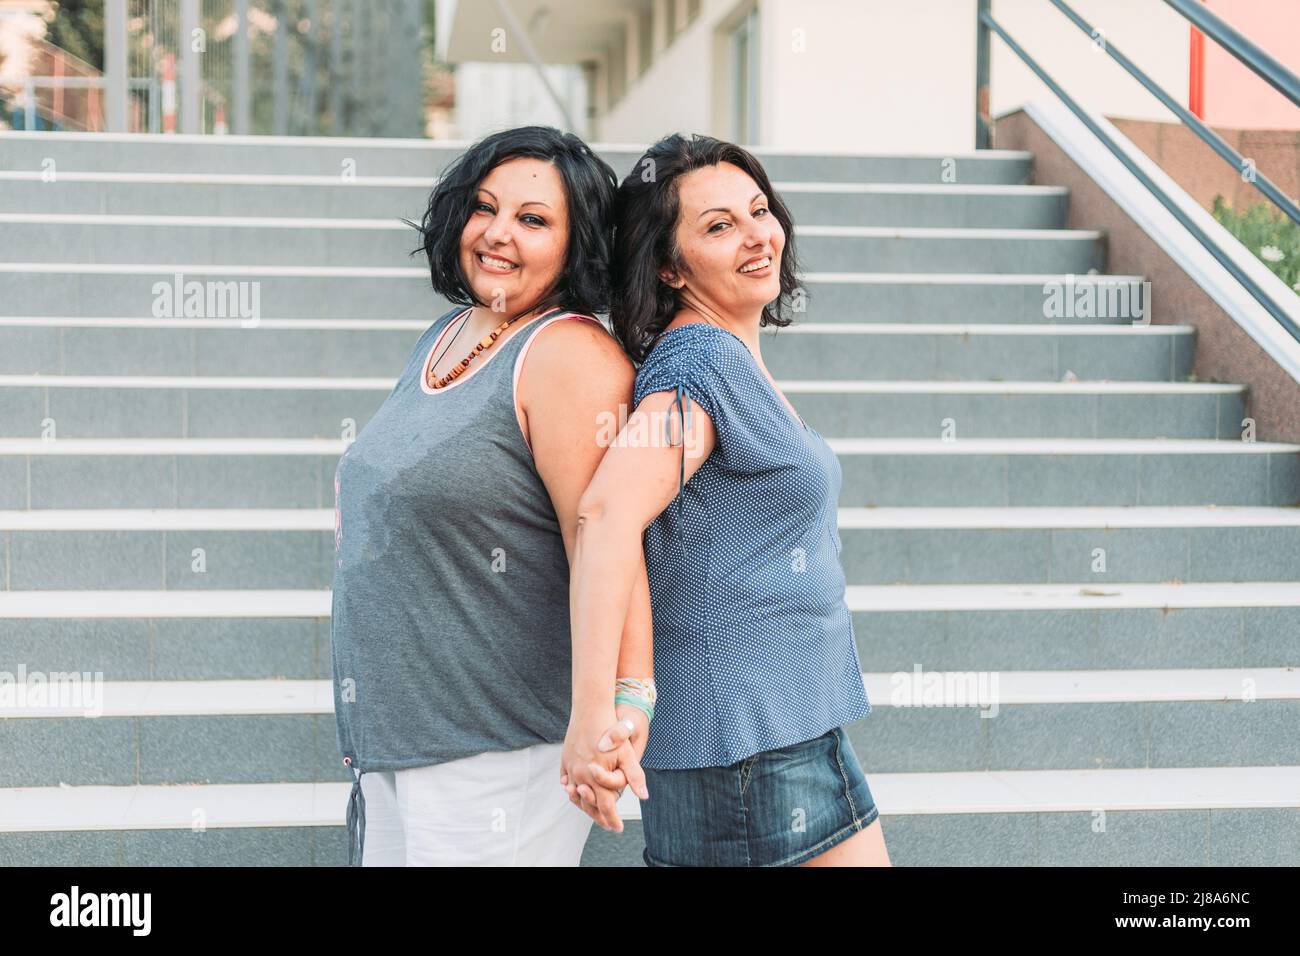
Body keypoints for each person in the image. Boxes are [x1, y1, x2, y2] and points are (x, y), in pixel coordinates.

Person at [564, 133, 892, 866]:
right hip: (744, 754)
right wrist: (597, 709)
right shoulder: (701, 365)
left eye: (758, 210)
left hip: (792, 731)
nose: (756, 235)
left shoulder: (727, 358)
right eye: (718, 226)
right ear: (671, 267)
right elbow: (606, 513)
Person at [331, 126, 651, 866]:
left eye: (533, 220)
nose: (498, 233)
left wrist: (622, 700)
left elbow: (606, 536)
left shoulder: (567, 355)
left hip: (500, 755)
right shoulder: (448, 335)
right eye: (485, 208)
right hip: (402, 742)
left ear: (577, 248)